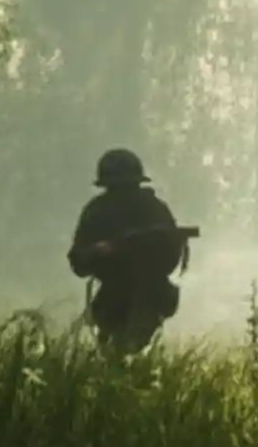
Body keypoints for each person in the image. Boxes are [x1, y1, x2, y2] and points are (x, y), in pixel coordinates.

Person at [67, 149, 192, 354]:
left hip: (148, 293)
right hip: (114, 296)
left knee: (128, 349)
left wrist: (145, 253)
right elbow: (78, 261)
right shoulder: (99, 211)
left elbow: (172, 256)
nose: (124, 196)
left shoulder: (152, 209)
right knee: (112, 353)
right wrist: (101, 251)